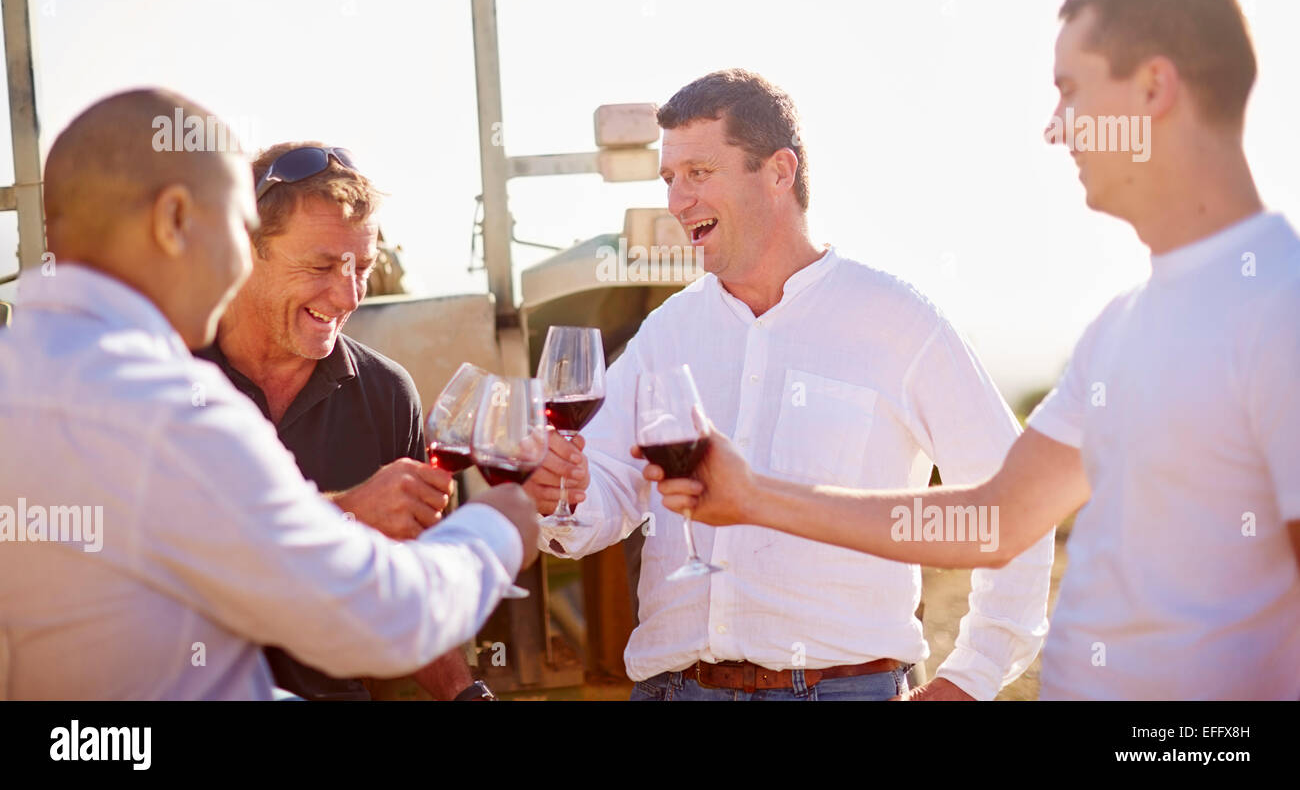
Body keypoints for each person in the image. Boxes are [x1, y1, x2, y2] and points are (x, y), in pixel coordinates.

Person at [647, 0, 1300, 700]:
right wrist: (754, 496)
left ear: (1153, 88)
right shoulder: (1123, 329)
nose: (1055, 127)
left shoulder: (1279, 310)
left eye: (1071, 91)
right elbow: (997, 520)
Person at [526, 69, 1055, 701]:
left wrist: (968, 681)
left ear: (779, 171)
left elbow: (1020, 504)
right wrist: (567, 490)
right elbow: (603, 495)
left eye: (700, 172)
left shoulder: (898, 322)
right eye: (670, 179)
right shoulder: (666, 332)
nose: (677, 201)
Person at [0, 89, 539, 699]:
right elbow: (384, 615)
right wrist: (495, 532)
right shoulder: (172, 411)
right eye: (236, 227)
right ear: (174, 222)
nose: (347, 296)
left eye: (361, 268)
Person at [196, 141, 490, 700]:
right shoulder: (161, 376)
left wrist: (465, 695)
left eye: (363, 267)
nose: (348, 294)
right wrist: (349, 513)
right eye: (322, 265)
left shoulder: (385, 393)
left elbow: (400, 597)